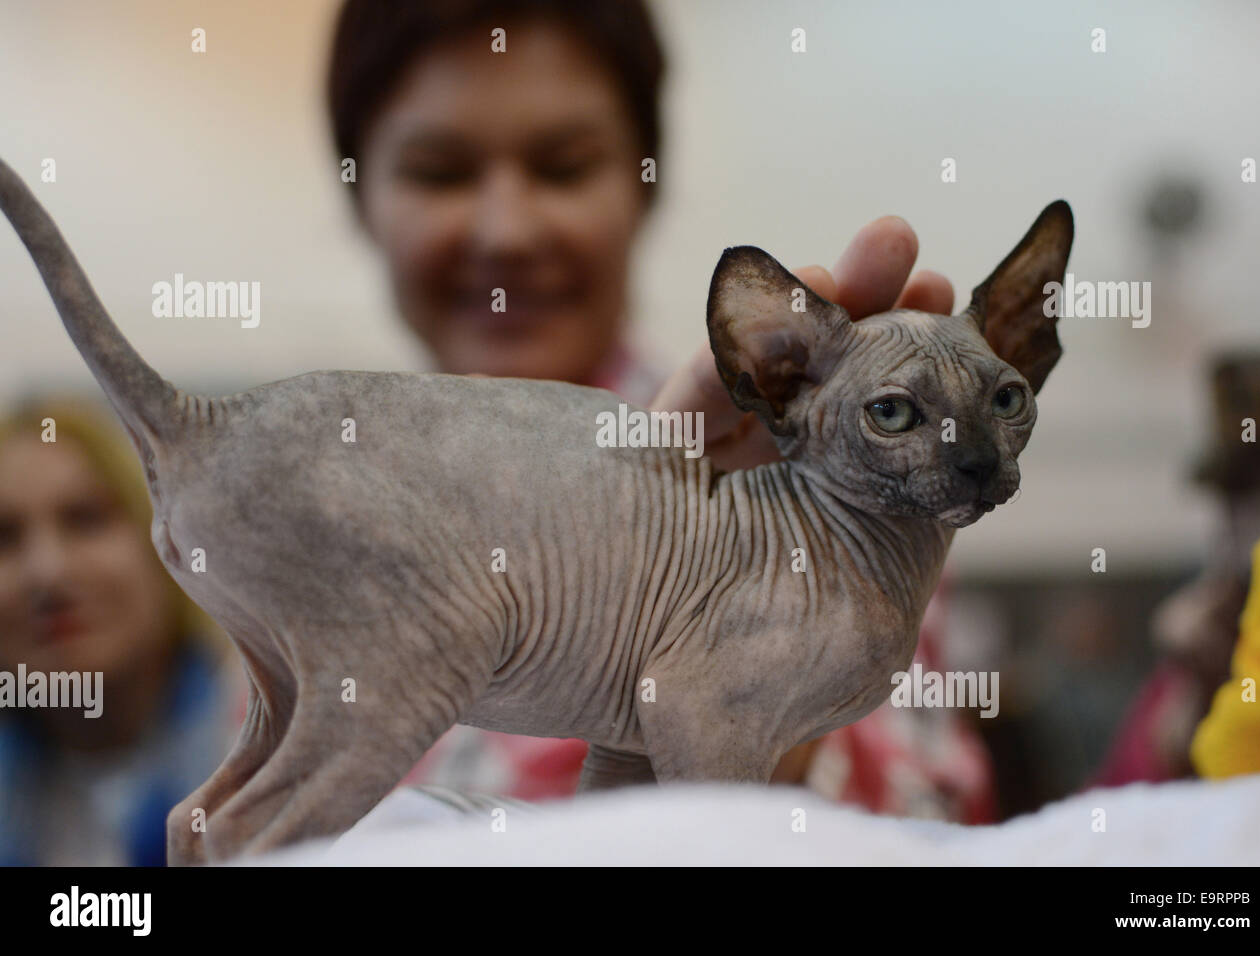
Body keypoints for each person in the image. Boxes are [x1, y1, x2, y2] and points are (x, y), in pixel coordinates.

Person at [325, 0, 996, 821]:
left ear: (645, 182)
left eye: (565, 167)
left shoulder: (833, 466)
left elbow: (929, 822)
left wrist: (773, 700)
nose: (507, 232)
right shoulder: (315, 488)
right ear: (359, 196)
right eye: (441, 173)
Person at [0, 398, 241, 865]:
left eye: (85, 518)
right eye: (3, 537)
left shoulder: (295, 763)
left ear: (169, 541)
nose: (47, 572)